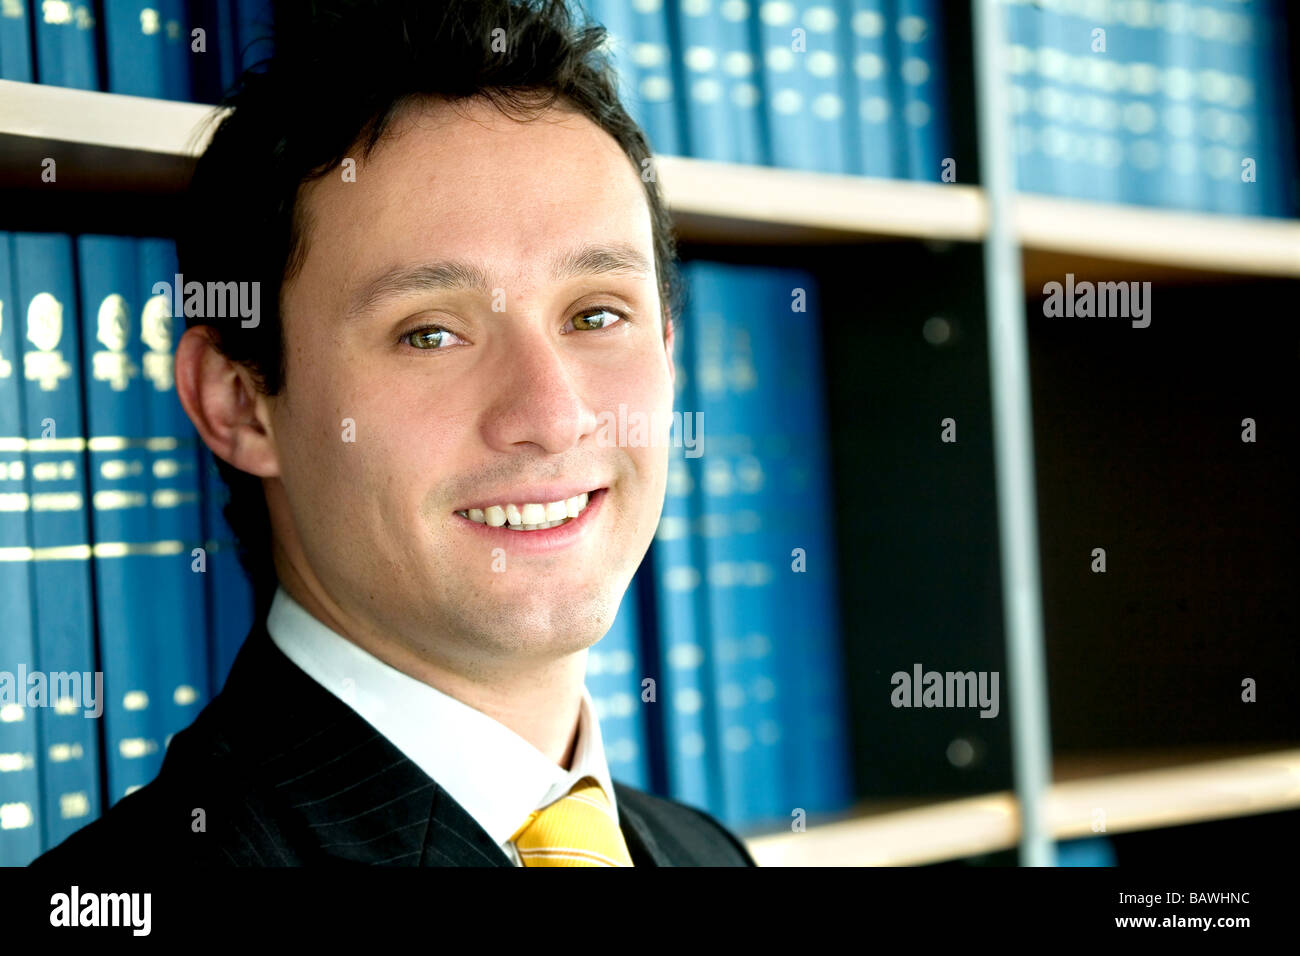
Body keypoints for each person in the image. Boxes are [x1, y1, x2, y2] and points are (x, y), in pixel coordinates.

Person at [33, 0, 754, 867]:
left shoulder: (704, 853)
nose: (553, 414)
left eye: (597, 314)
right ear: (238, 401)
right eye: (430, 334)